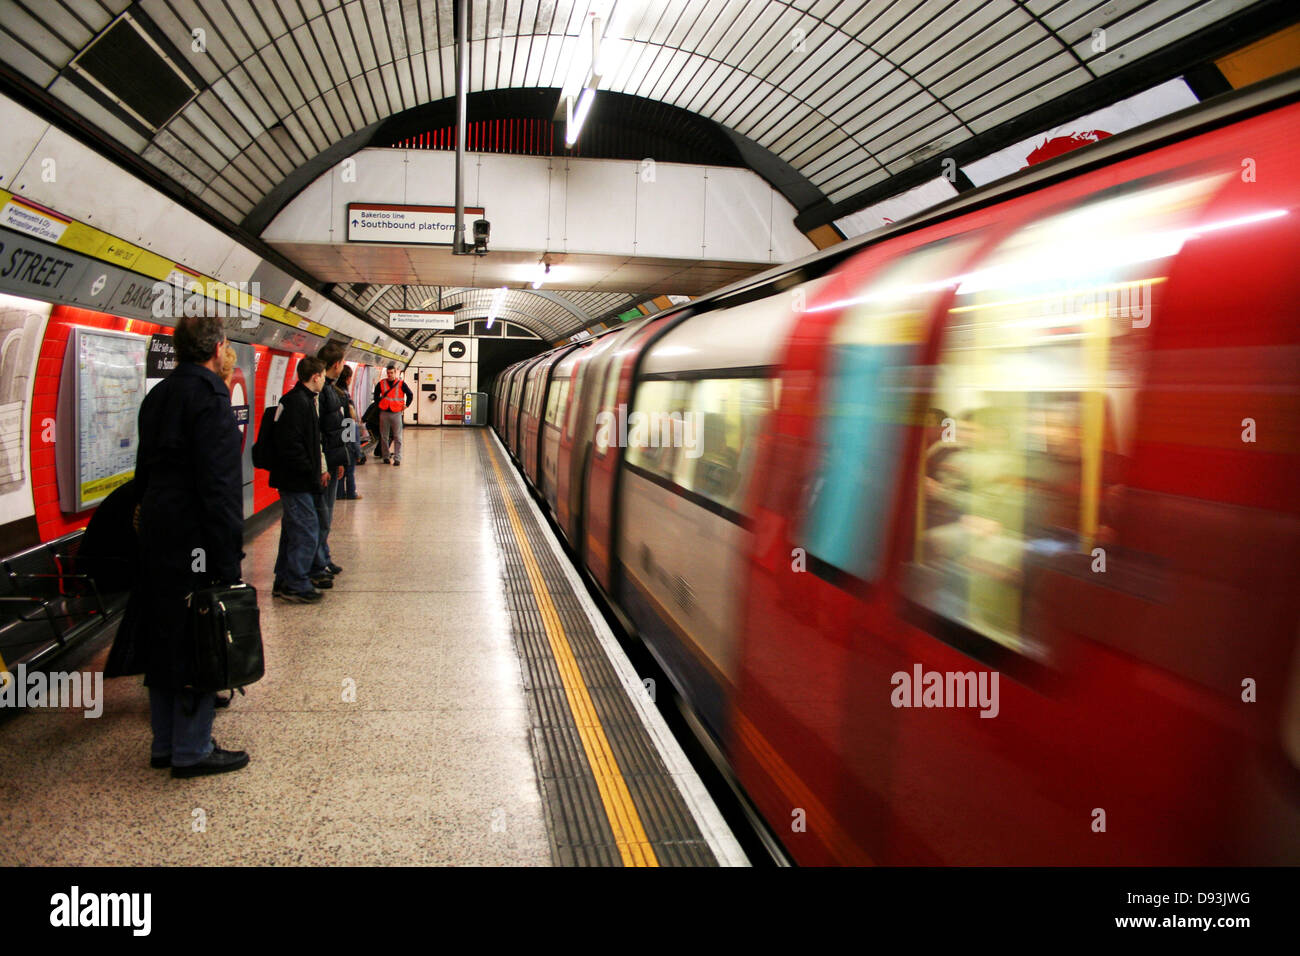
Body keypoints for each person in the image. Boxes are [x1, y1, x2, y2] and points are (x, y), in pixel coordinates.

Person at [129, 314, 248, 778]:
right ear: (218, 348)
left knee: (163, 634)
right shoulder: (210, 398)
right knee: (200, 638)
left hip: (157, 533)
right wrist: (226, 556)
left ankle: (165, 743)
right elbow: (219, 488)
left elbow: (143, 472)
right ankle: (192, 749)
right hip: (194, 537)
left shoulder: (158, 395)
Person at [271, 356, 328, 604]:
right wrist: (310, 471)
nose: (324, 380)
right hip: (296, 480)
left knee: (293, 530)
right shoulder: (298, 404)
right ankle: (296, 582)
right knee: (307, 529)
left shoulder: (300, 400)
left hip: (296, 478)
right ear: (315, 377)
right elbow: (292, 445)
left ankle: (283, 579)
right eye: (323, 376)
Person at [311, 343, 349, 588]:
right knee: (323, 515)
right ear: (336, 365)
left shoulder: (329, 391)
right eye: (343, 362)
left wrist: (341, 460)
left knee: (326, 514)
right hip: (326, 463)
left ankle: (324, 558)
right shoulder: (324, 394)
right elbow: (322, 433)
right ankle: (318, 563)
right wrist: (326, 464)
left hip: (333, 460)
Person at [373, 364, 413, 465]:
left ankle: (397, 458)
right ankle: (386, 456)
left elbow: (410, 394)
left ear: (395, 373)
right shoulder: (381, 383)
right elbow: (376, 395)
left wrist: (406, 405)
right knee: (384, 437)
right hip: (384, 413)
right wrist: (379, 405)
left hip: (396, 413)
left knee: (397, 437)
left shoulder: (401, 384)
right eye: (388, 373)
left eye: (391, 373)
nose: (390, 375)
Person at [336, 364, 363, 500]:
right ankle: (351, 493)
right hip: (348, 440)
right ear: (347, 379)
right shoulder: (345, 397)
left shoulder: (333, 393)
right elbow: (351, 425)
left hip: (338, 439)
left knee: (340, 470)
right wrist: (358, 451)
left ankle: (339, 493)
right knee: (350, 470)